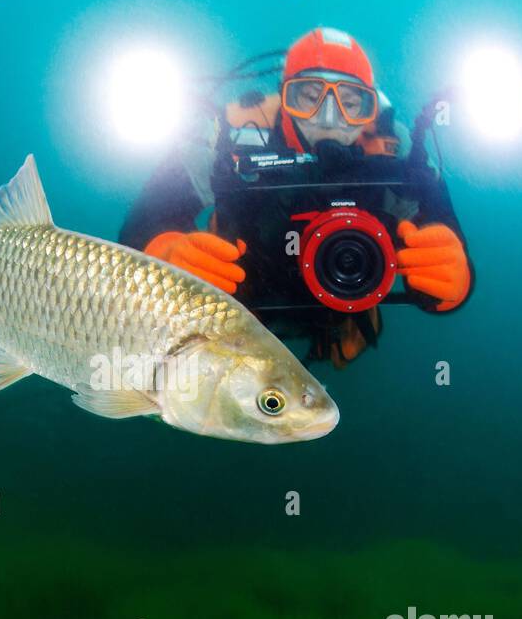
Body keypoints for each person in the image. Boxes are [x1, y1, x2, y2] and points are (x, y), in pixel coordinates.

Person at [119, 27, 473, 368]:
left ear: (372, 107)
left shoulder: (395, 149)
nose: (331, 118)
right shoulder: (232, 137)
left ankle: (345, 326)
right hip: (238, 302)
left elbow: (444, 240)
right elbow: (144, 223)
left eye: (352, 102)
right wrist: (165, 257)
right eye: (309, 96)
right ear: (283, 95)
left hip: (344, 307)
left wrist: (451, 283)